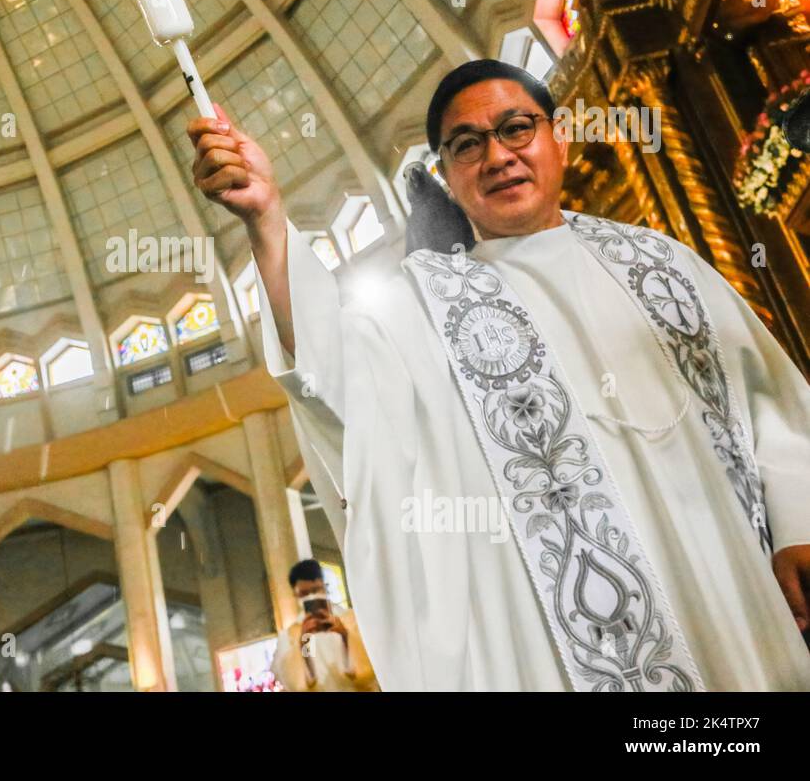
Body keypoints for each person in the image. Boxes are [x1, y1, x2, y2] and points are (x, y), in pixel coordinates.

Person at [187, 59, 810, 691]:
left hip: (741, 589)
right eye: (467, 144)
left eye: (516, 128)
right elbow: (336, 383)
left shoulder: (661, 264)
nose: (498, 156)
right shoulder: (429, 306)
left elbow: (773, 408)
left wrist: (799, 524)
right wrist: (265, 219)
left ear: (556, 137)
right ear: (448, 177)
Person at [270, 559, 378, 691]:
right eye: (304, 593)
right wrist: (306, 641)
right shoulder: (292, 634)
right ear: (295, 594)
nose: (311, 597)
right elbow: (299, 684)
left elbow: (369, 669)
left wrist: (345, 636)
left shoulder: (350, 619)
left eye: (316, 590)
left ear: (324, 586)